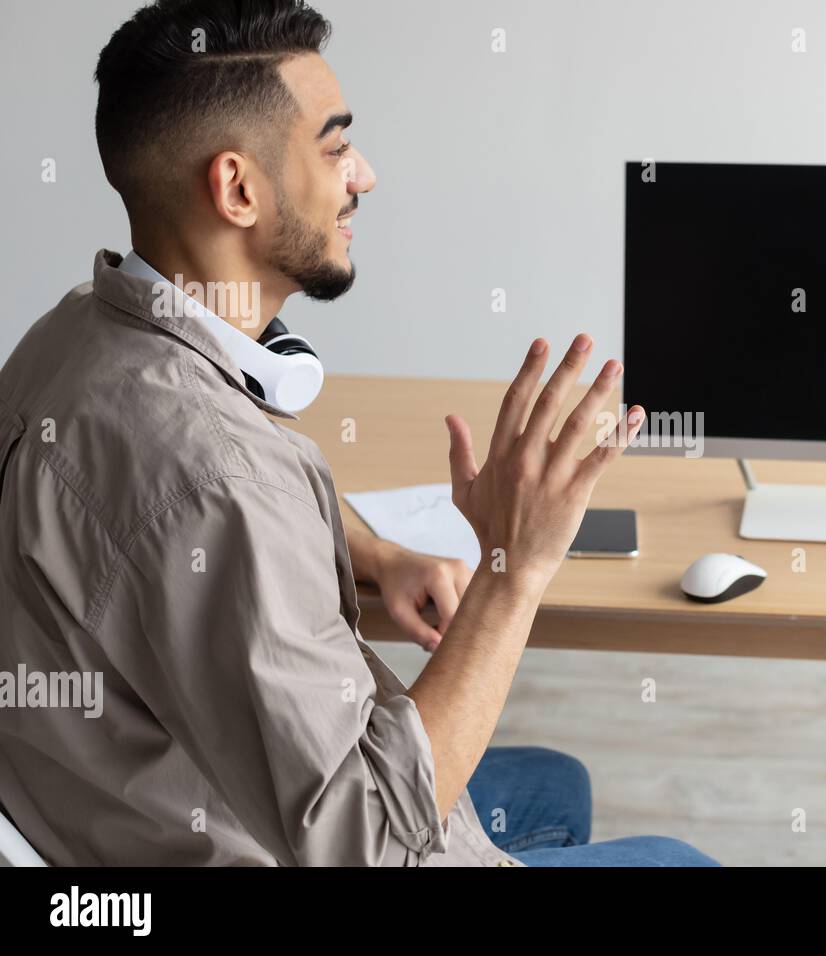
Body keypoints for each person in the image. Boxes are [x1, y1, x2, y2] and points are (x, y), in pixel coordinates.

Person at [0, 0, 718, 867]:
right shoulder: (217, 479)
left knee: (554, 786)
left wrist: (371, 555)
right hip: (296, 840)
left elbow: (175, 503)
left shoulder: (78, 333)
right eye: (336, 147)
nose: (364, 175)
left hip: (116, 806)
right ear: (238, 188)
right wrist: (513, 568)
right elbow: (368, 848)